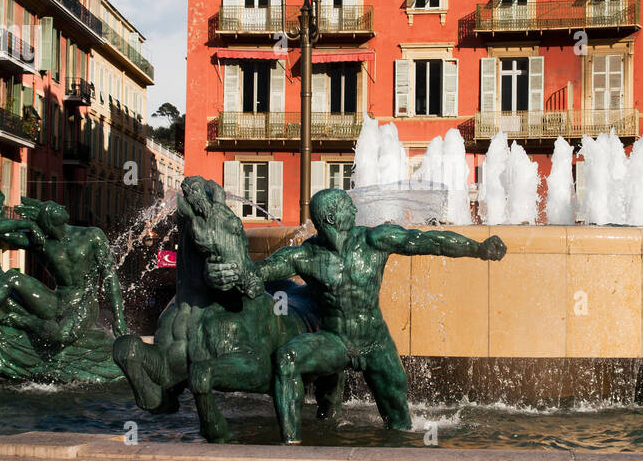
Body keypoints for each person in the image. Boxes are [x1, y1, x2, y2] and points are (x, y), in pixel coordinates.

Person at [206, 187, 506, 443]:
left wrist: (478, 249)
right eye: (347, 205)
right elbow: (260, 274)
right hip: (335, 340)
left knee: (398, 415)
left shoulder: (375, 241)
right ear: (332, 218)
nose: (354, 207)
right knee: (287, 358)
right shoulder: (305, 255)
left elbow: (428, 241)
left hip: (375, 342)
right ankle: (291, 445)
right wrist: (233, 275)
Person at [0, 198, 126, 349]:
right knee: (12, 276)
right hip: (55, 300)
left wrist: (118, 317)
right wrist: (27, 224)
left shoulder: (93, 235)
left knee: (61, 336)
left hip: (84, 302)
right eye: (50, 208)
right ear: (47, 221)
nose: (58, 205)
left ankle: (23, 321)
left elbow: (110, 277)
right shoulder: (41, 244)